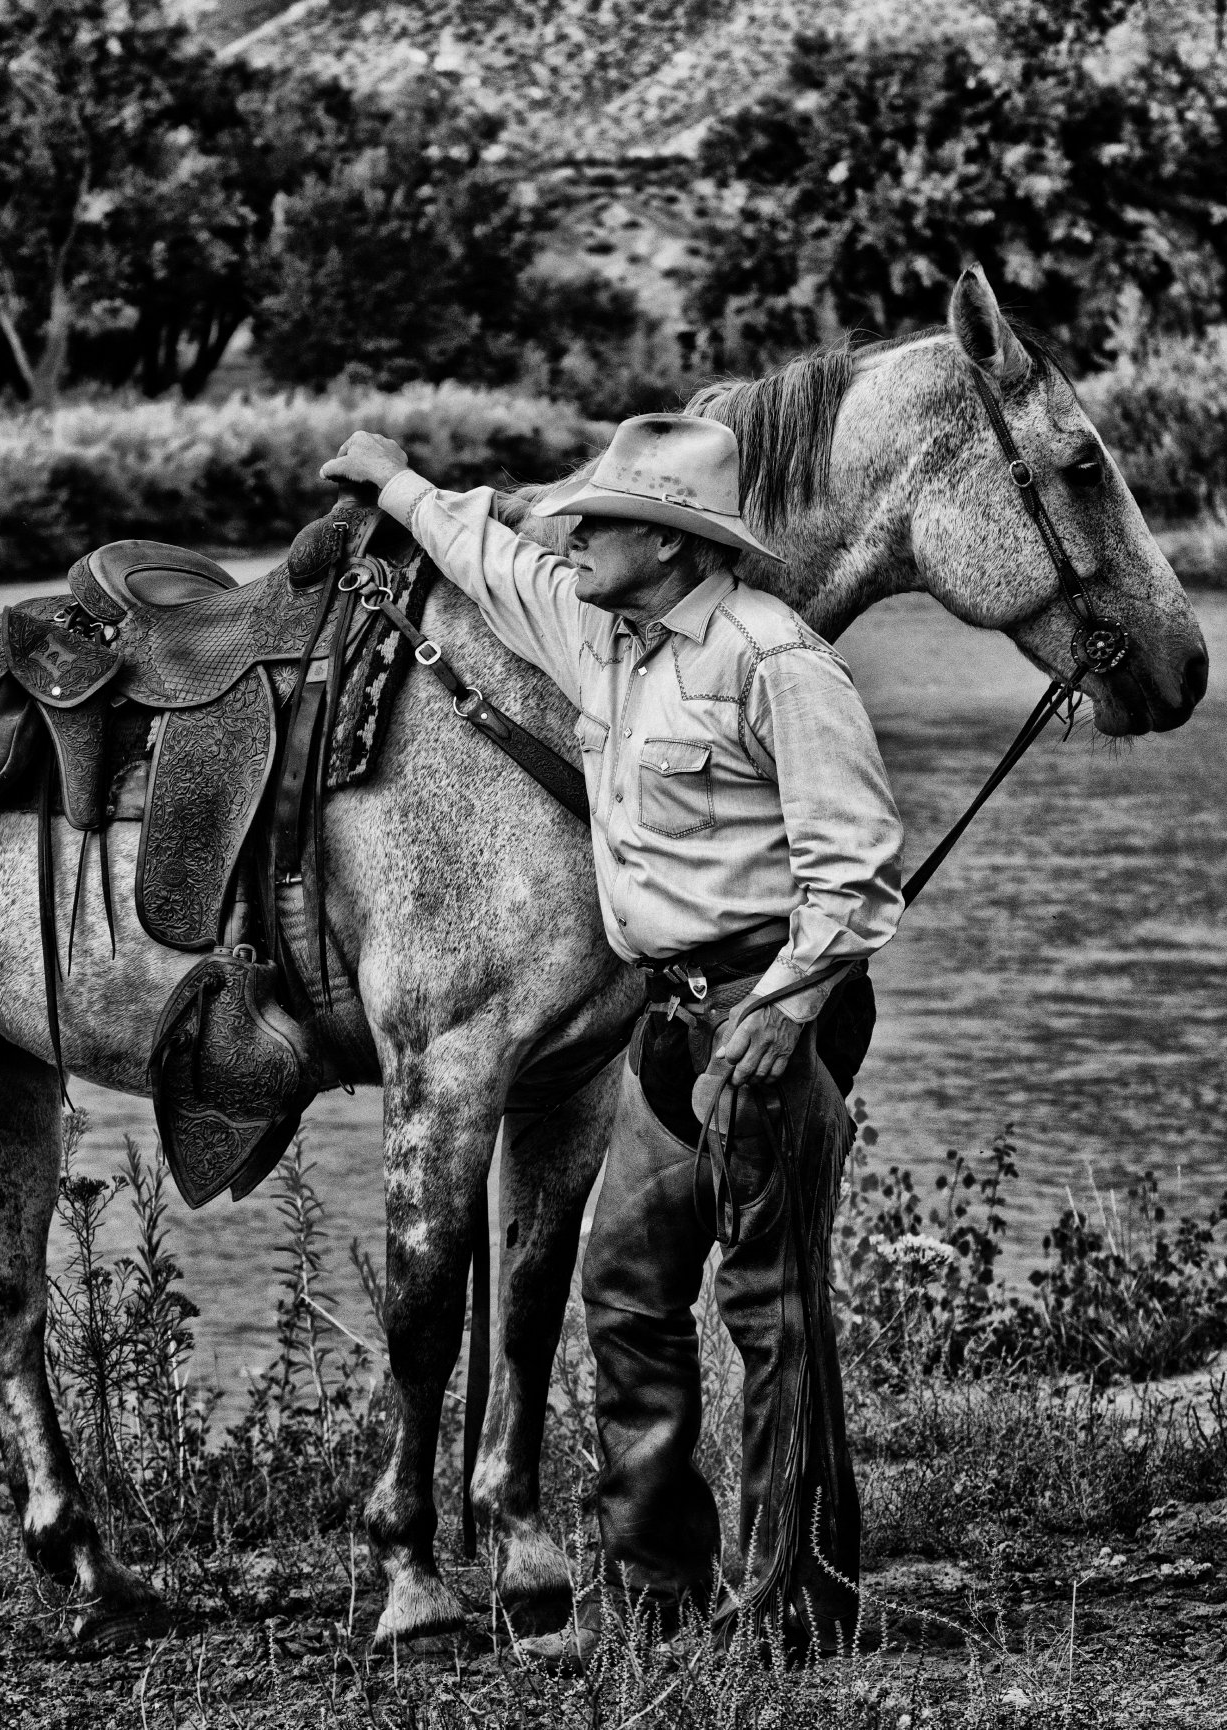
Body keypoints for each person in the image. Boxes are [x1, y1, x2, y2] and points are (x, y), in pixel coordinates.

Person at [321, 414, 906, 1663]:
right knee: (626, 1294)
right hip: (667, 1024)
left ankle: (792, 1604)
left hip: (762, 1019)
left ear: (668, 542)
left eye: (597, 521)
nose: (569, 534)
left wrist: (787, 1011)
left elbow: (857, 871)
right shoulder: (603, 629)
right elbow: (485, 551)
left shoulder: (777, 661)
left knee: (771, 1312)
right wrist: (398, 480)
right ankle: (655, 1591)